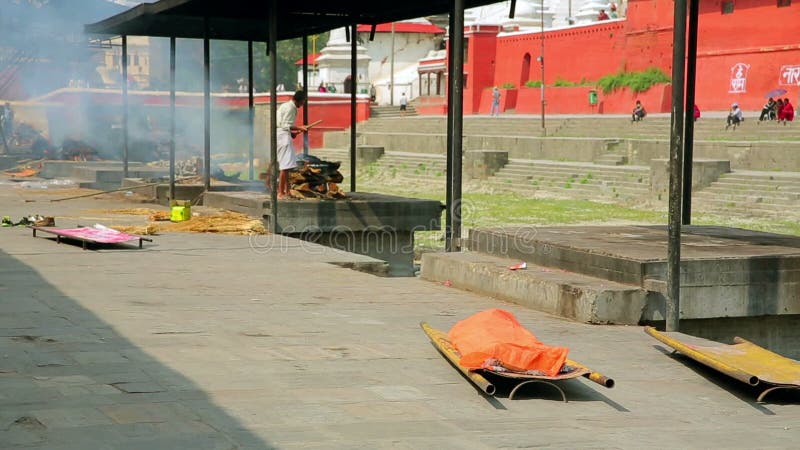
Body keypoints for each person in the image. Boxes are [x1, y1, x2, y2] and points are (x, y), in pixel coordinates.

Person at [275, 90, 308, 199]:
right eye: (303, 102)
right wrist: (299, 127)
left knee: (287, 165)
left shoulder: (285, 105)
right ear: (299, 100)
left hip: (282, 135)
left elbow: (284, 126)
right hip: (282, 136)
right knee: (285, 166)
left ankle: (287, 191)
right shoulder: (290, 108)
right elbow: (285, 125)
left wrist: (293, 133)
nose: (302, 104)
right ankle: (280, 193)